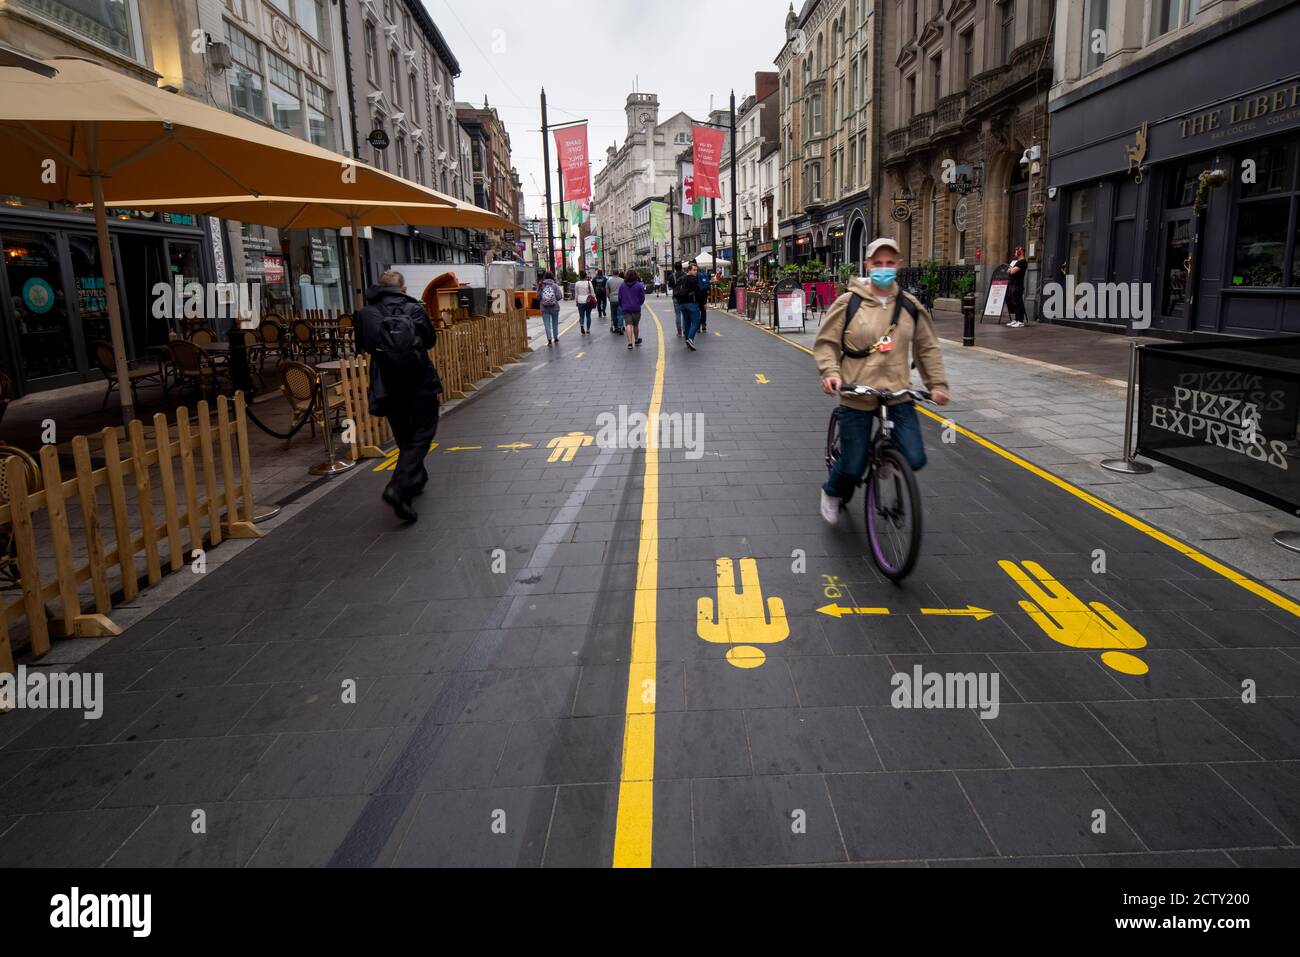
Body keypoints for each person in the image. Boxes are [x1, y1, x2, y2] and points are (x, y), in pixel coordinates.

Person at [813, 238, 951, 527]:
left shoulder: (909, 305)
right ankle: (831, 491)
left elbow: (927, 347)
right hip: (857, 393)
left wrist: (937, 384)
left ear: (898, 265)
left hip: (896, 393)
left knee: (914, 457)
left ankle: (886, 458)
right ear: (868, 265)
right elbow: (826, 343)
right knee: (852, 464)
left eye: (890, 263)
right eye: (878, 263)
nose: (884, 269)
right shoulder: (849, 302)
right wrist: (831, 373)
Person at [356, 270, 441, 524]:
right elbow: (429, 340)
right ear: (402, 289)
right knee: (423, 433)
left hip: (388, 386)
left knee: (405, 435)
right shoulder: (413, 308)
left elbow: (363, 345)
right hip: (420, 383)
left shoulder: (367, 313)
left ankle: (416, 480)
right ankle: (399, 485)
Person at [678, 262, 703, 350]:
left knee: (687, 322)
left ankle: (687, 339)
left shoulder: (682, 279)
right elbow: (698, 292)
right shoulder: (693, 279)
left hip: (682, 304)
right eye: (694, 270)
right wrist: (702, 303)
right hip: (692, 303)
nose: (696, 272)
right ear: (689, 270)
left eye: (696, 270)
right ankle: (690, 339)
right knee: (696, 322)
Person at [620, 269, 646, 350]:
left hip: (626, 308)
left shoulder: (622, 285)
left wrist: (622, 305)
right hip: (636, 308)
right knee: (635, 325)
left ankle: (629, 343)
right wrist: (639, 303)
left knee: (628, 324)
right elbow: (642, 297)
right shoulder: (639, 285)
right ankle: (636, 339)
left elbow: (620, 297)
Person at [1006, 246, 1028, 327]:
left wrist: (1011, 270)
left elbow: (1012, 272)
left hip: (1018, 285)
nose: (1015, 252)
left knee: (1018, 303)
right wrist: (1011, 269)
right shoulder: (1015, 262)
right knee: (1014, 303)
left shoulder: (1022, 262)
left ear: (1020, 251)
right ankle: (1016, 319)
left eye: (1016, 251)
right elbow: (1008, 270)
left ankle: (1020, 321)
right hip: (1012, 285)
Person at [538, 272, 563, 346]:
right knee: (555, 323)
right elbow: (559, 296)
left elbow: (538, 297)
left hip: (544, 308)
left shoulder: (541, 285)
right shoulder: (555, 285)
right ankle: (555, 338)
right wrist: (554, 299)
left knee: (547, 324)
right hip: (554, 307)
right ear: (552, 277)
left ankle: (549, 340)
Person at [671, 262, 688, 339]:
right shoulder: (685, 275)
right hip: (684, 297)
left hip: (676, 296)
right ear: (681, 267)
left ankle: (679, 332)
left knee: (677, 314)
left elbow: (670, 287)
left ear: (675, 268)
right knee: (684, 314)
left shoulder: (672, 276)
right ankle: (685, 331)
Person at [606, 269, 625, 335]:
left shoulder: (609, 281)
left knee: (613, 314)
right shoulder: (622, 281)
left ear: (612, 273)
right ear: (618, 273)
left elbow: (607, 291)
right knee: (621, 314)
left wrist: (609, 297)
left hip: (612, 299)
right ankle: (621, 326)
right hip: (620, 299)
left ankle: (616, 327)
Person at [697, 265, 711, 333]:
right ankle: (704, 325)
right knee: (703, 311)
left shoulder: (697, 275)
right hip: (704, 295)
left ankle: (698, 327)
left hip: (698, 295)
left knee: (697, 311)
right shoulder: (705, 274)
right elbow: (708, 285)